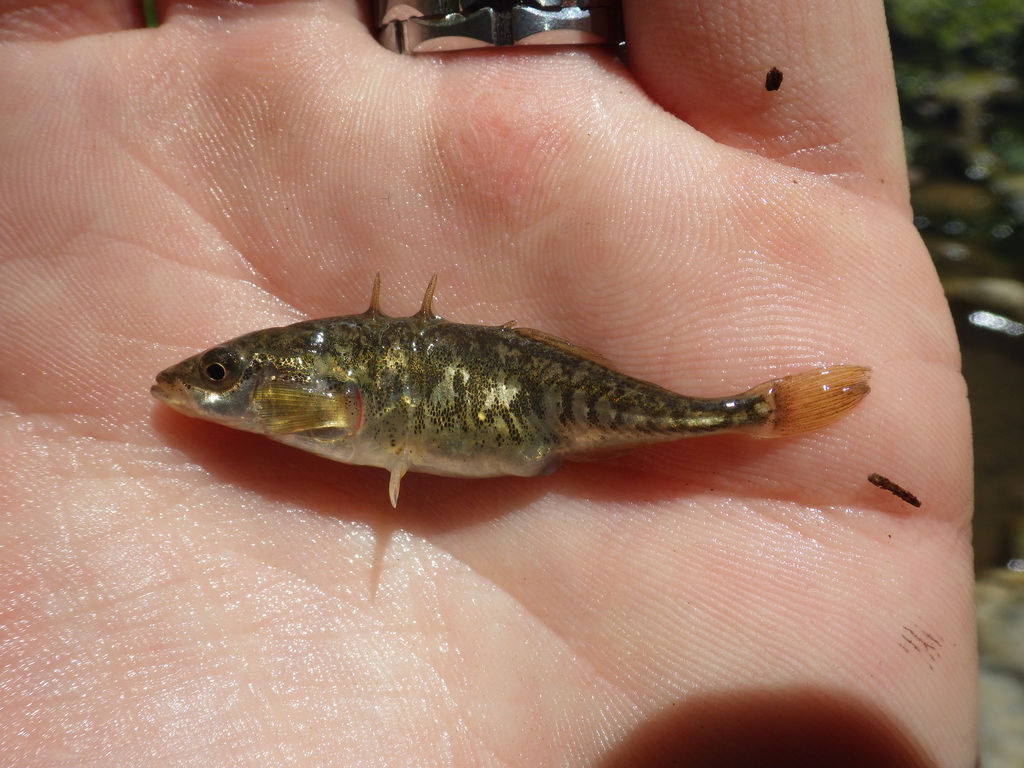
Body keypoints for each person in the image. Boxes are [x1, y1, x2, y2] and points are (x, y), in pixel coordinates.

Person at [0, 2, 974, 766]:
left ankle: (751, 413)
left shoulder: (331, 400)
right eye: (218, 375)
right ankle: (745, 416)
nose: (202, 389)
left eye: (222, 377)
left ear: (300, 382)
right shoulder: (322, 407)